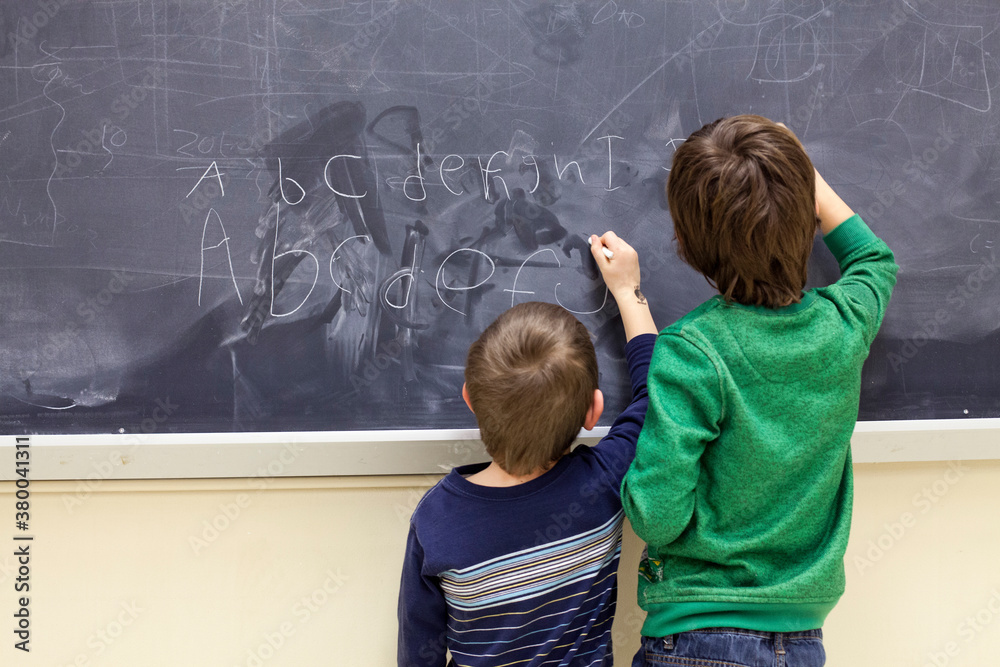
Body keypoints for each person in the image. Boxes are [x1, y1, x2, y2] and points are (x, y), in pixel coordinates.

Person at [624, 115, 898, 666]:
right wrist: (796, 171)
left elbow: (656, 517)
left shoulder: (690, 351)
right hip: (799, 642)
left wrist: (629, 296)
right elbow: (874, 260)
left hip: (694, 637)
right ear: (808, 216)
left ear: (684, 244)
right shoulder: (843, 325)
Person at [397, 233, 658, 666]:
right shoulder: (603, 485)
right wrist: (628, 289)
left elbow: (417, 651)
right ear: (594, 412)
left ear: (468, 397)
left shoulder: (436, 520)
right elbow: (656, 395)